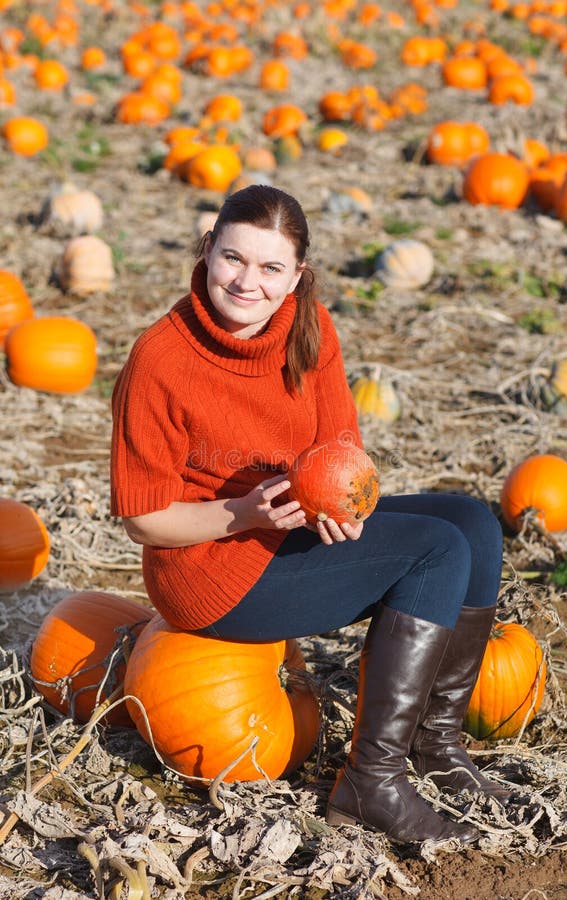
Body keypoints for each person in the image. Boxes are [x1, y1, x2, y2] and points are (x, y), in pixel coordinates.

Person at [111, 184, 514, 847]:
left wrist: (347, 507)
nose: (248, 282)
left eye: (271, 268)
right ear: (207, 250)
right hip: (209, 574)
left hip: (287, 533)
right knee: (435, 550)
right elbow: (144, 520)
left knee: (470, 521)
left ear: (296, 274)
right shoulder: (162, 359)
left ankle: (435, 745)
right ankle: (371, 781)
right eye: (233, 258)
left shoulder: (311, 326)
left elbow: (341, 450)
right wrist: (239, 513)